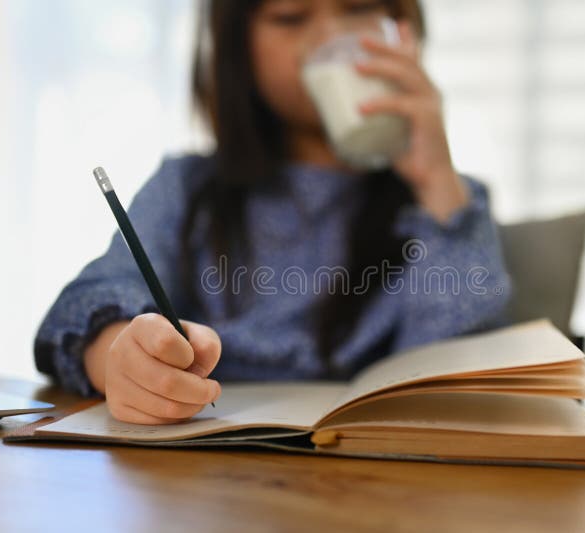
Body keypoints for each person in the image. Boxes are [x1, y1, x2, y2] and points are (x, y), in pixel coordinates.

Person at [34, 0, 512, 425]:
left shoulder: (445, 204)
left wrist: (435, 182)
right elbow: (85, 305)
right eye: (290, 16)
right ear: (239, 45)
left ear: (401, 29)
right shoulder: (187, 190)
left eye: (357, 7)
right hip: (201, 466)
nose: (328, 39)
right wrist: (121, 356)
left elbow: (458, 374)